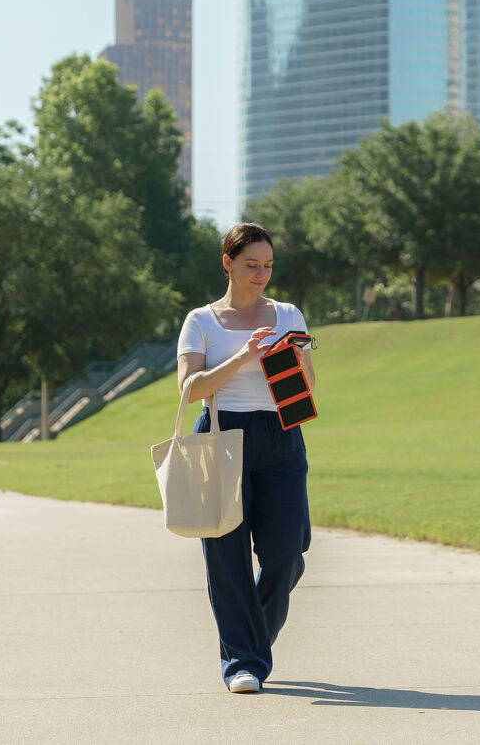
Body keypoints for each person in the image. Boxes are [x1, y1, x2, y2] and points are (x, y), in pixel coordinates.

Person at [175, 222, 314, 694]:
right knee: (226, 558)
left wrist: (283, 357)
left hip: (280, 435)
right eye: (251, 265)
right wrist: (239, 360)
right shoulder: (201, 321)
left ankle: (248, 643)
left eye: (268, 266)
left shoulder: (288, 314)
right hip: (220, 435)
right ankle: (243, 664)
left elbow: (307, 384)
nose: (261, 274)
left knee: (286, 554)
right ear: (227, 263)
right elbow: (190, 390)